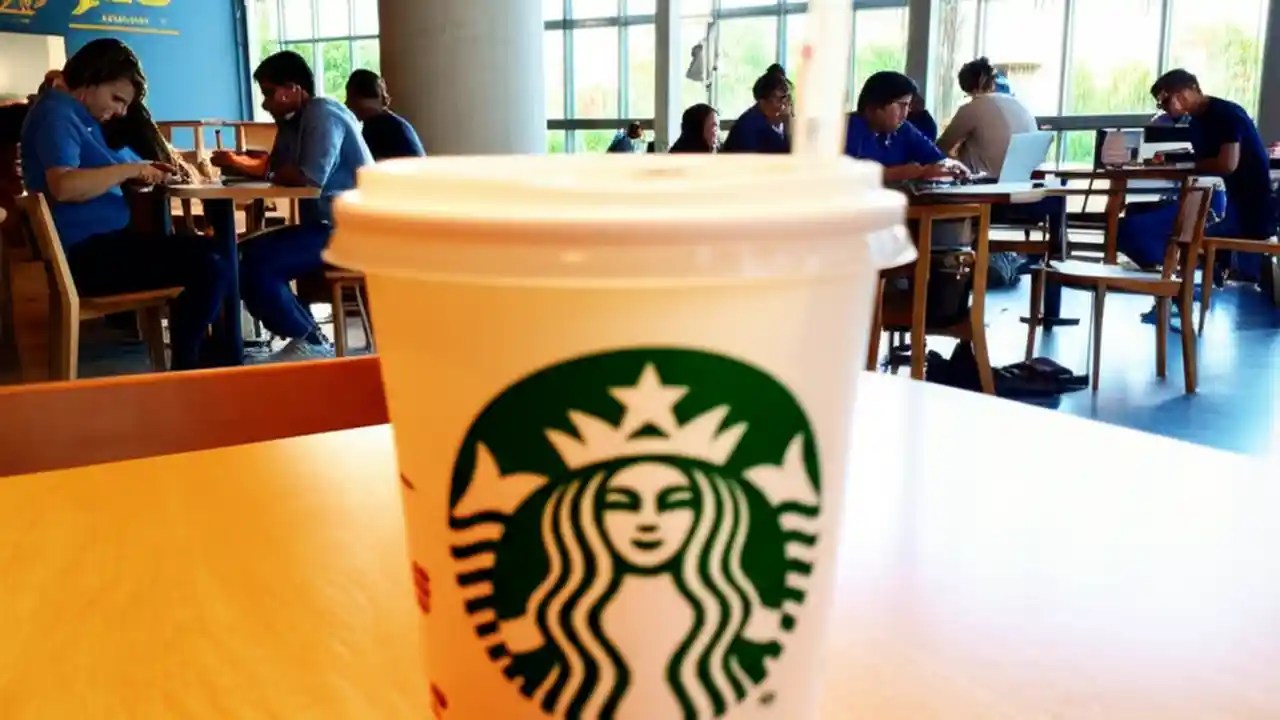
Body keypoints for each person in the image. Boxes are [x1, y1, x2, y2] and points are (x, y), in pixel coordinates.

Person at [20, 39, 231, 370]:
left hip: (100, 248)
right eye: (116, 98)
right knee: (212, 261)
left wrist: (142, 172)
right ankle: (190, 370)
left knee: (211, 256)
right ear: (90, 78)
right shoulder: (57, 114)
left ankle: (193, 366)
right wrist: (131, 171)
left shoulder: (77, 115)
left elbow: (100, 169)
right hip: (85, 257)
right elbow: (63, 185)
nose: (120, 111)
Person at [211, 51, 373, 362]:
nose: (265, 103)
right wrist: (267, 168)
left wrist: (271, 171)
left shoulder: (323, 114)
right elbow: (276, 168)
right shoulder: (293, 120)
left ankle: (309, 340)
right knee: (237, 256)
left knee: (256, 268)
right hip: (323, 226)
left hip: (349, 230)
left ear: (294, 88)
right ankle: (308, 336)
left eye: (270, 93)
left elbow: (307, 177)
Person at [1118, 69, 1276, 282]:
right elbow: (1202, 160)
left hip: (1253, 209)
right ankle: (1180, 274)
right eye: (1163, 103)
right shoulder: (1195, 123)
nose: (1170, 105)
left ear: (1192, 89)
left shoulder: (1227, 114)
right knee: (1137, 223)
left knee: (1145, 230)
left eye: (1170, 97)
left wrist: (1187, 165)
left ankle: (1194, 272)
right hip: (1233, 202)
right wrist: (1175, 161)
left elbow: (1226, 164)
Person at [844, 71, 964, 182]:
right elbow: (843, 177)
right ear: (876, 105)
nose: (906, 112)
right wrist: (896, 173)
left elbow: (935, 157)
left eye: (908, 106)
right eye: (902, 105)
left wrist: (949, 165)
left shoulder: (903, 129)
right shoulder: (843, 130)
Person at [936, 57, 1037, 176]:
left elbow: (939, 148)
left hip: (989, 182)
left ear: (964, 86)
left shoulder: (972, 108)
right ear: (992, 81)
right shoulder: (1016, 103)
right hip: (1026, 179)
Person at [344, 69, 425, 161]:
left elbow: (364, 164)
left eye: (349, 97)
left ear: (357, 98)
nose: (347, 103)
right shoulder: (393, 123)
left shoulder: (375, 128)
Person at [721, 72, 790, 154]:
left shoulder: (777, 121)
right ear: (763, 101)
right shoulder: (748, 126)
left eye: (787, 98)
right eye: (780, 99)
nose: (785, 104)